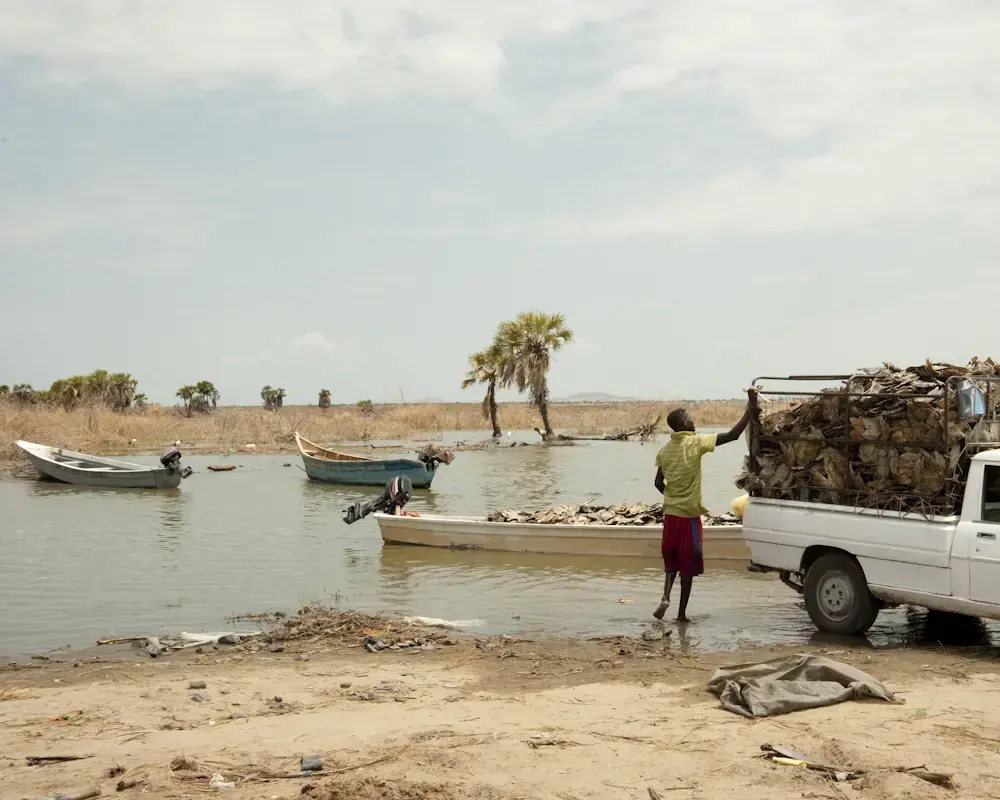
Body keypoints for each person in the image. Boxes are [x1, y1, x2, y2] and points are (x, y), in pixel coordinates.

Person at [652, 390, 759, 623]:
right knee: (687, 567)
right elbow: (733, 434)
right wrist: (751, 407)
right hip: (689, 515)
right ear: (683, 424)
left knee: (671, 562)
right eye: (690, 418)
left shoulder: (665, 450)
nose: (694, 421)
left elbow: (658, 483)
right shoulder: (696, 442)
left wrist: (672, 497)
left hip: (670, 515)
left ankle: (665, 597)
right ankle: (681, 614)